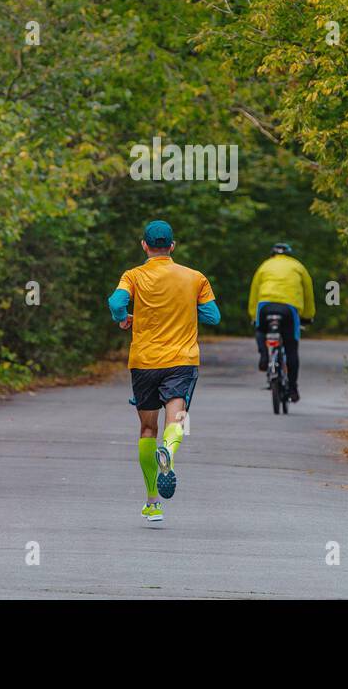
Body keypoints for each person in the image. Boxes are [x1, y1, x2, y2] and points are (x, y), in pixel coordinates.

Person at [108, 220, 220, 523]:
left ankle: (152, 503)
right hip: (182, 360)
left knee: (147, 429)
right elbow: (213, 315)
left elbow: (116, 302)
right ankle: (168, 452)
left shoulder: (133, 276)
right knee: (177, 418)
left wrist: (124, 317)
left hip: (144, 361)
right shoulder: (195, 277)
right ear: (172, 246)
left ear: (144, 246)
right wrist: (182, 307)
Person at [247, 242, 314, 401]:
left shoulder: (264, 265)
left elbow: (254, 291)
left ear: (272, 254)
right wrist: (308, 315)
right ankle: (292, 389)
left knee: (261, 330)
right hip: (288, 308)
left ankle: (264, 355)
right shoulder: (298, 266)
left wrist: (253, 315)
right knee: (291, 348)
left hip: (265, 306)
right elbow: (308, 292)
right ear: (289, 255)